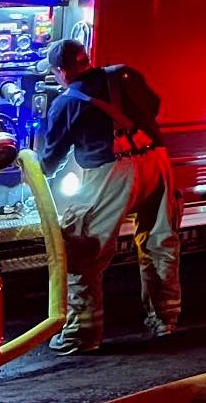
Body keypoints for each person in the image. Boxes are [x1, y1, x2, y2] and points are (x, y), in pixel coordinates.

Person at [40, 39, 182, 354]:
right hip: (157, 163)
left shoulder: (66, 103)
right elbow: (154, 106)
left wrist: (31, 171)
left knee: (84, 246)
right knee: (160, 243)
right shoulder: (125, 75)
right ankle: (165, 321)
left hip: (113, 172)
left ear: (61, 71)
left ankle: (82, 335)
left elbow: (51, 157)